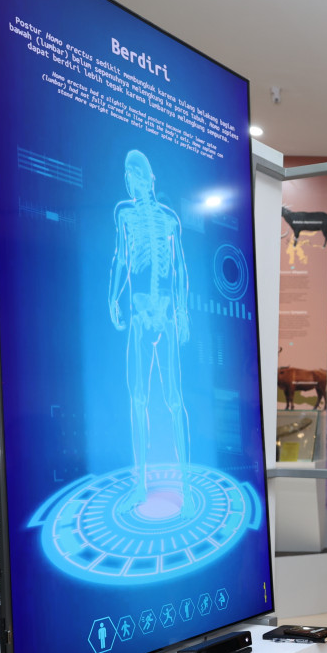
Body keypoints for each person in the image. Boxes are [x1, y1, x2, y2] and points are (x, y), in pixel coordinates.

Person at [107, 149, 193, 514]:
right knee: (138, 398)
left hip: (164, 315)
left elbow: (180, 266)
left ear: (142, 177)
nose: (128, 182)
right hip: (141, 314)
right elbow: (122, 258)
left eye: (131, 175)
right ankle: (140, 485)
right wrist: (113, 297)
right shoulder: (124, 213)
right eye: (127, 176)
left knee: (175, 400)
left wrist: (183, 313)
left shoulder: (169, 219)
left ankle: (186, 488)